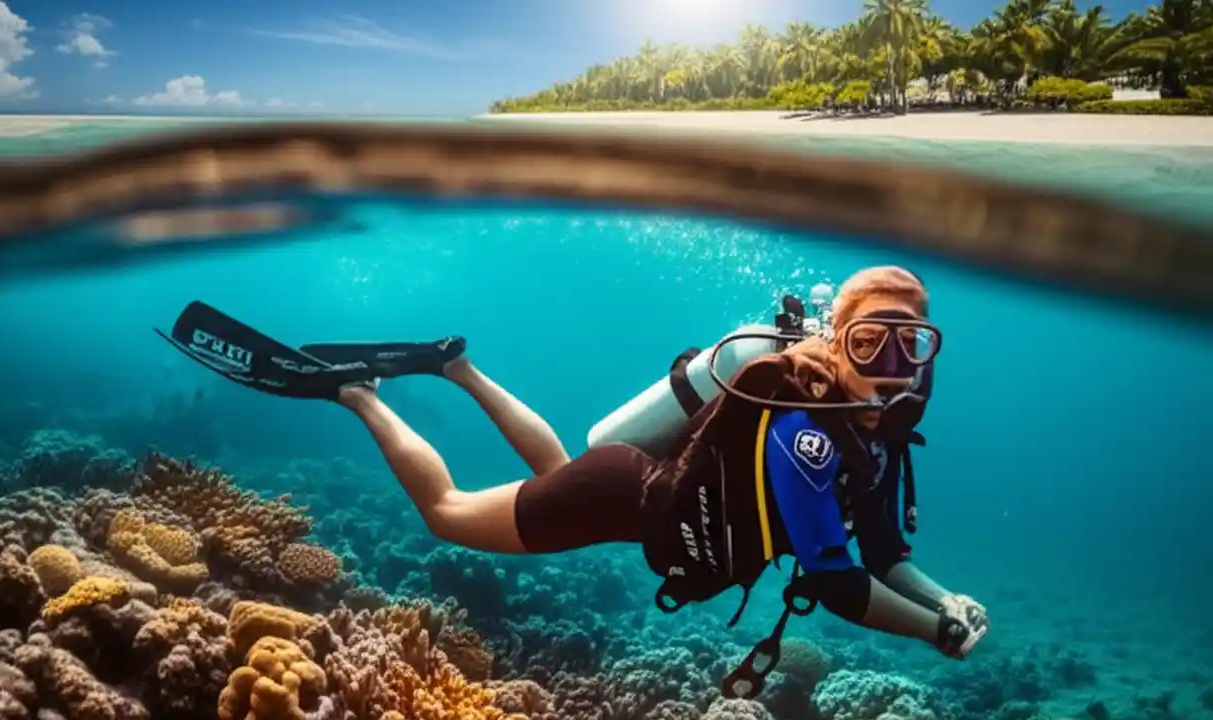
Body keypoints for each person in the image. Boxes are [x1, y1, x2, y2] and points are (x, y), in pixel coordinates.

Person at [156, 265, 989, 699]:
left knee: (560, 470)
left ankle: (458, 368)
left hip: (642, 493)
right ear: (834, 342)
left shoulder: (878, 443)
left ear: (929, 353)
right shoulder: (808, 434)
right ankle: (356, 394)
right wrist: (931, 635)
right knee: (446, 515)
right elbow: (841, 583)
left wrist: (944, 600)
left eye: (910, 346)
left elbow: (882, 550)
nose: (890, 367)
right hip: (626, 495)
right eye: (870, 342)